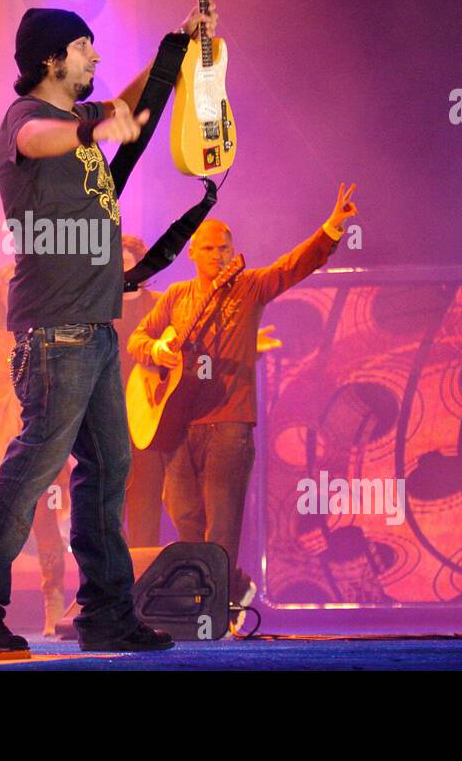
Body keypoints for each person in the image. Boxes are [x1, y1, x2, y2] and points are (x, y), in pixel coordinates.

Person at [0, 4, 216, 652]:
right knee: (37, 460)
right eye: (85, 48)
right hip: (56, 331)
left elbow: (120, 105)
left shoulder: (73, 122)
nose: (95, 59)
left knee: (107, 465)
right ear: (51, 59)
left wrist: (174, 47)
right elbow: (44, 137)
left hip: (92, 329)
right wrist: (98, 119)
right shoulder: (25, 122)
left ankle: (105, 612)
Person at [127, 186, 359, 626]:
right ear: (192, 252)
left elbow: (292, 268)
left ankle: (216, 612)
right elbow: (139, 339)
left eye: (225, 248)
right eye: (209, 248)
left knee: (222, 523)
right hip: (177, 424)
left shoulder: (249, 287)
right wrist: (159, 350)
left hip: (230, 424)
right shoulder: (176, 297)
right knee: (186, 520)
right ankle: (231, 586)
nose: (217, 255)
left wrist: (330, 229)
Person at [0, 216, 70, 636]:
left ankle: (53, 600)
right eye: (6, 285)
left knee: (44, 523)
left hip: (34, 436)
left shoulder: (41, 338)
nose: (12, 292)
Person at [117, 234, 166, 548]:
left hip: (149, 417)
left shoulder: (160, 304)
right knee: (106, 507)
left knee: (146, 503)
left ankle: (143, 585)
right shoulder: (99, 310)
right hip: (110, 418)